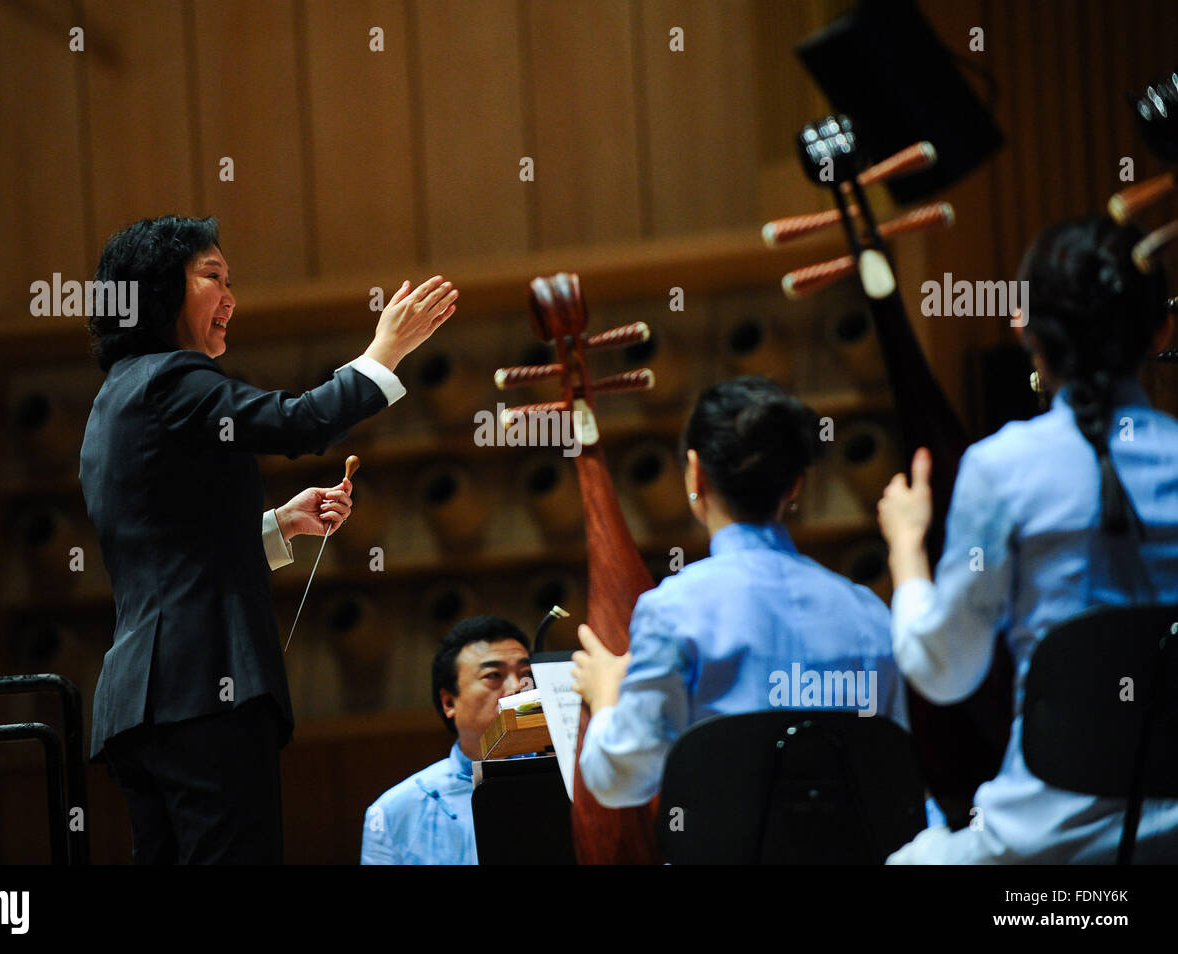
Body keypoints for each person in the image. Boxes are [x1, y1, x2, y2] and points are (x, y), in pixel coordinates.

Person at [80, 214, 458, 863]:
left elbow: (166, 548)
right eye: (213, 277)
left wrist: (278, 526)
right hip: (203, 689)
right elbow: (297, 423)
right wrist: (385, 351)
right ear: (159, 289)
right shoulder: (171, 378)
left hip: (139, 704)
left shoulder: (112, 399)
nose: (231, 298)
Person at [879, 215, 1178, 863]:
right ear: (1162, 329)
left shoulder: (1000, 470)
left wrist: (906, 548)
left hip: (1040, 850)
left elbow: (946, 671)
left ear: (1026, 331)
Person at [572, 376, 910, 809]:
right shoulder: (869, 613)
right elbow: (895, 769)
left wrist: (604, 697)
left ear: (695, 474)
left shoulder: (671, 611)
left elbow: (621, 780)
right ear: (794, 485)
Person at [361, 616, 532, 864]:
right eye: (494, 675)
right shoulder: (394, 811)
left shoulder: (568, 781)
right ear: (449, 702)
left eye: (526, 674)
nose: (517, 687)